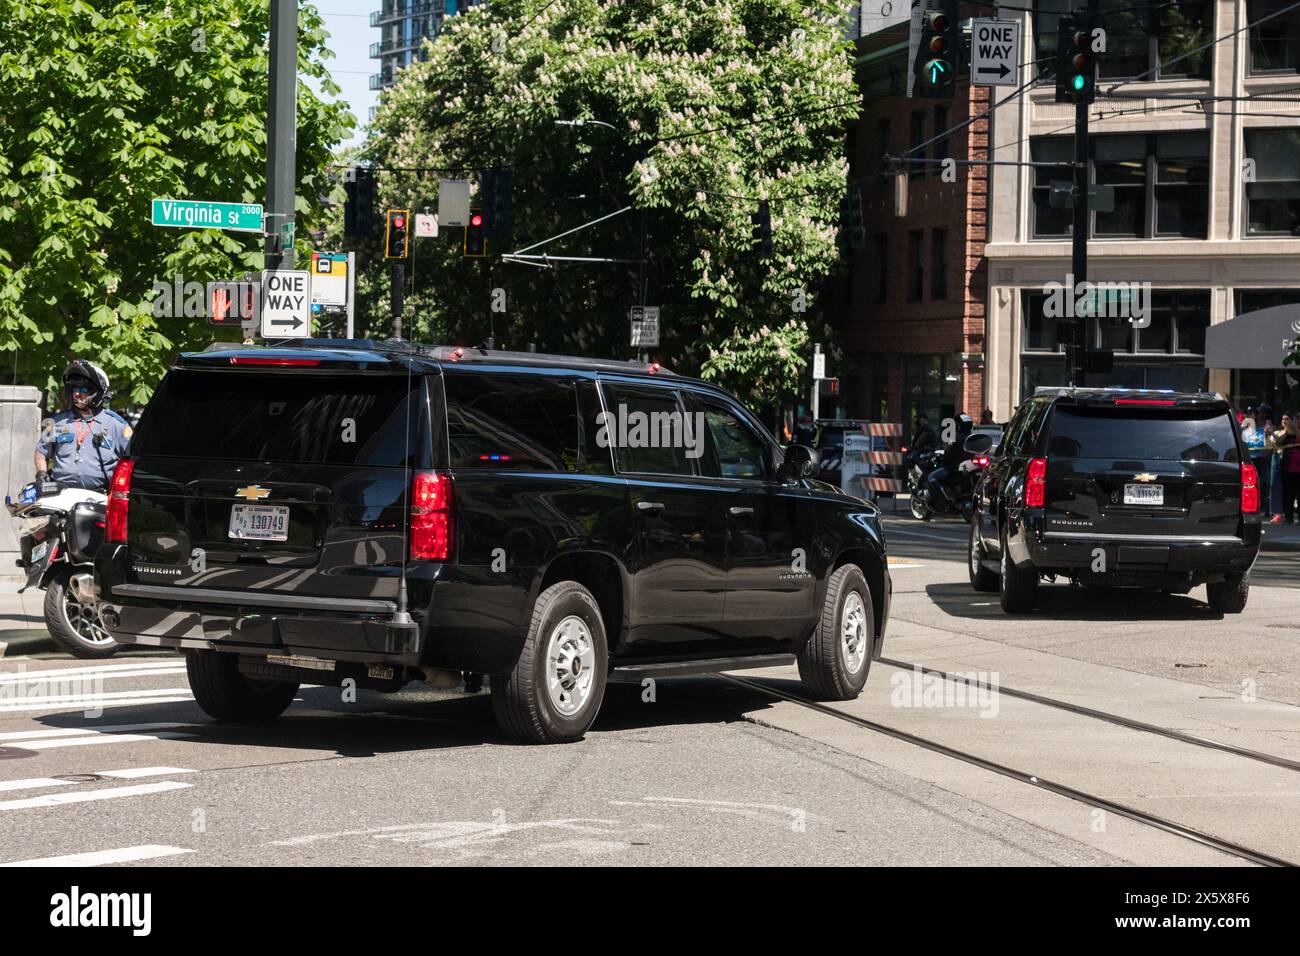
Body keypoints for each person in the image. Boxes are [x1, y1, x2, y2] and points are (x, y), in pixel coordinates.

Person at [34, 360, 132, 493]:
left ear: (97, 392)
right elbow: (40, 452)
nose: (77, 394)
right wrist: (41, 474)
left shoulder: (117, 425)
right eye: (74, 389)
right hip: (61, 494)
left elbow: (131, 461)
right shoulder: (54, 421)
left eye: (83, 390)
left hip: (100, 496)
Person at [925, 414, 974, 505]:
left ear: (959, 425)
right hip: (967, 468)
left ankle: (945, 501)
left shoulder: (954, 437)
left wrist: (944, 462)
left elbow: (949, 452)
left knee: (931, 477)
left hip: (954, 468)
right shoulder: (972, 437)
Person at [1276, 415, 1300, 524]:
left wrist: (1296, 431)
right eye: (1296, 419)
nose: (1297, 421)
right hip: (1287, 469)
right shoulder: (1286, 434)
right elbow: (1278, 443)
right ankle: (1289, 517)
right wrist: (1287, 431)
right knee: (1287, 495)